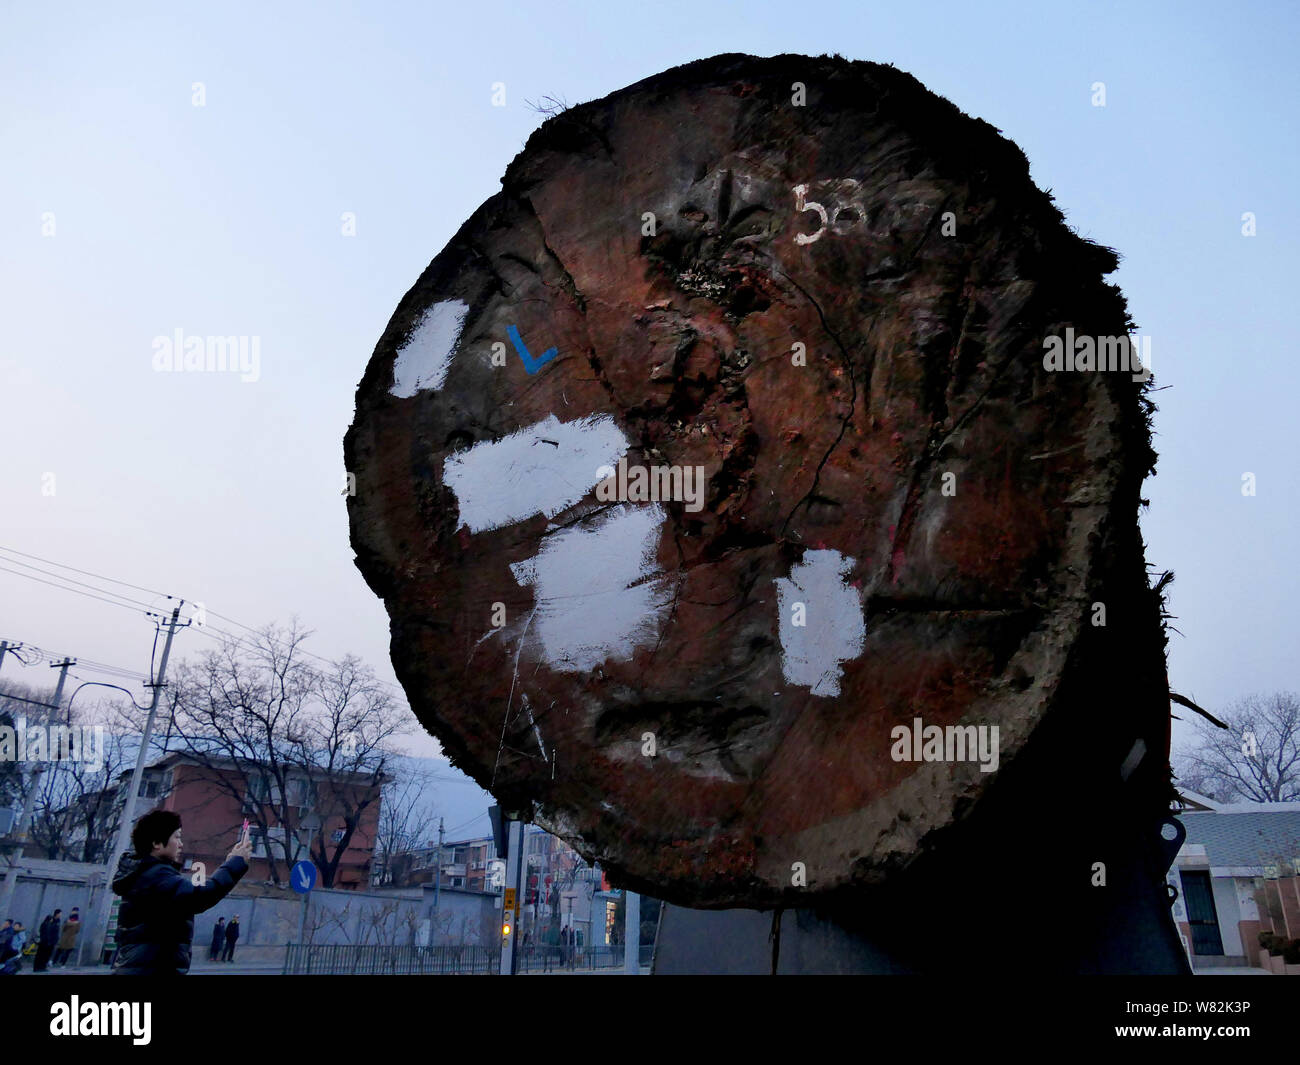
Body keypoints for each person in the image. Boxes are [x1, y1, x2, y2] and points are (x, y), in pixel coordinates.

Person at [110, 807, 251, 976]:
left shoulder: (143, 873)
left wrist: (230, 862)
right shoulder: (156, 876)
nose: (181, 843)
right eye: (176, 837)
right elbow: (200, 896)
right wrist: (234, 864)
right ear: (156, 843)